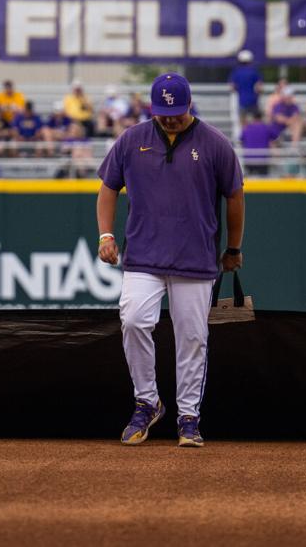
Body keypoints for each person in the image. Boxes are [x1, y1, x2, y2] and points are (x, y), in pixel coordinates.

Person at [96, 73, 245, 448]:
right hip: (144, 254)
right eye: (163, 113)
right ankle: (147, 402)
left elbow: (235, 195)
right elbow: (108, 187)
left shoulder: (214, 143)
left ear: (189, 105)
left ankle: (189, 416)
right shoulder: (132, 140)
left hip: (195, 258)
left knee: (192, 338)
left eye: (176, 112)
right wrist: (106, 234)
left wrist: (234, 248)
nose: (170, 119)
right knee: (132, 319)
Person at [239, 109, 278, 176]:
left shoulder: (247, 128)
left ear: (253, 117)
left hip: (249, 159)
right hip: (263, 159)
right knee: (264, 181)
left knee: (249, 182)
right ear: (262, 117)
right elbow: (276, 138)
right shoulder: (266, 127)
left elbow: (241, 140)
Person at [228, 49, 263, 122]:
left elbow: (232, 87)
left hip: (241, 101)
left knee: (243, 123)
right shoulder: (254, 71)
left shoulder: (236, 72)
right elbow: (259, 88)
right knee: (256, 122)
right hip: (254, 101)